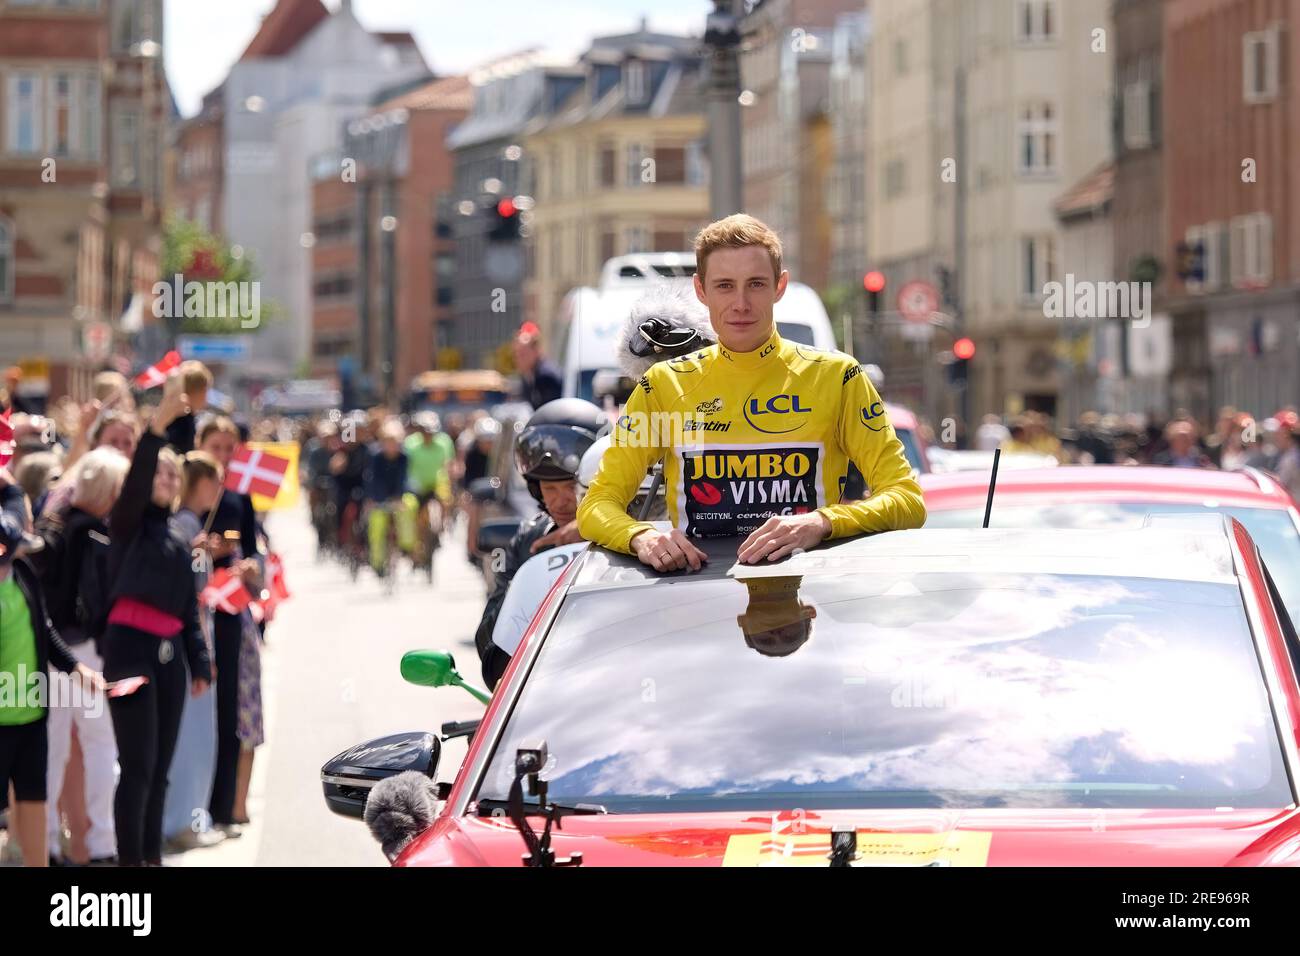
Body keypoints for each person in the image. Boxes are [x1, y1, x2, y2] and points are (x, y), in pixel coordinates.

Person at [576, 213, 925, 571]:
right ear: (701, 290)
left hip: (808, 599)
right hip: (693, 603)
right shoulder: (663, 385)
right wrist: (641, 536)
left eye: (755, 284)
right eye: (725, 285)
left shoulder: (839, 377)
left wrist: (822, 522)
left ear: (779, 286)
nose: (740, 303)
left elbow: (907, 500)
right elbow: (596, 505)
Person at [102, 376, 212, 866]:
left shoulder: (175, 537)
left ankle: (150, 859)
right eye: (158, 473)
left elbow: (187, 608)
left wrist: (201, 661)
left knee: (161, 769)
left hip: (170, 659)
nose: (166, 479)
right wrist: (158, 428)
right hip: (129, 652)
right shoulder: (125, 523)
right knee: (138, 768)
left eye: (173, 475)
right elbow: (139, 476)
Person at [32, 448, 128, 865]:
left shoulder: (48, 531)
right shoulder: (99, 537)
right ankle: (102, 845)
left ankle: (50, 845)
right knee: (101, 747)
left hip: (47, 652)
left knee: (53, 752)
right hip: (83, 652)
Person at [0, 476, 102, 866]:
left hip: (29, 716)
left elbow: (43, 628)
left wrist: (77, 669)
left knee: (34, 803)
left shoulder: (23, 576)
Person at [473, 399, 606, 688]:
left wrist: (596, 531)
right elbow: (492, 642)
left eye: (571, 487)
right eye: (549, 488)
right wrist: (529, 578)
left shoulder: (633, 531)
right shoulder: (528, 540)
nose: (560, 500)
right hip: (543, 686)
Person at [163, 452, 225, 851]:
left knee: (193, 733)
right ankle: (182, 821)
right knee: (193, 734)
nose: (219, 490)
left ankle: (184, 819)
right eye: (214, 481)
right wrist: (204, 652)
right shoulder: (186, 527)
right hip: (193, 639)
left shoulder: (185, 526)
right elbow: (194, 594)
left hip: (191, 638)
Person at [364, 419, 412, 575]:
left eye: (395, 442)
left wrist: (399, 497)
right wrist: (374, 499)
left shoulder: (404, 457)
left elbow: (405, 479)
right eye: (388, 442)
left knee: (410, 508)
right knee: (376, 524)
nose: (392, 446)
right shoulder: (375, 457)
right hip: (379, 497)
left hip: (398, 496)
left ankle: (407, 546)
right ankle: (377, 562)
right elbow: (372, 480)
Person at [513, 321, 563, 410]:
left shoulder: (548, 376)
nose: (519, 360)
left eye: (523, 354)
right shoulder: (527, 376)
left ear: (536, 351)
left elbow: (549, 410)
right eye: (517, 355)